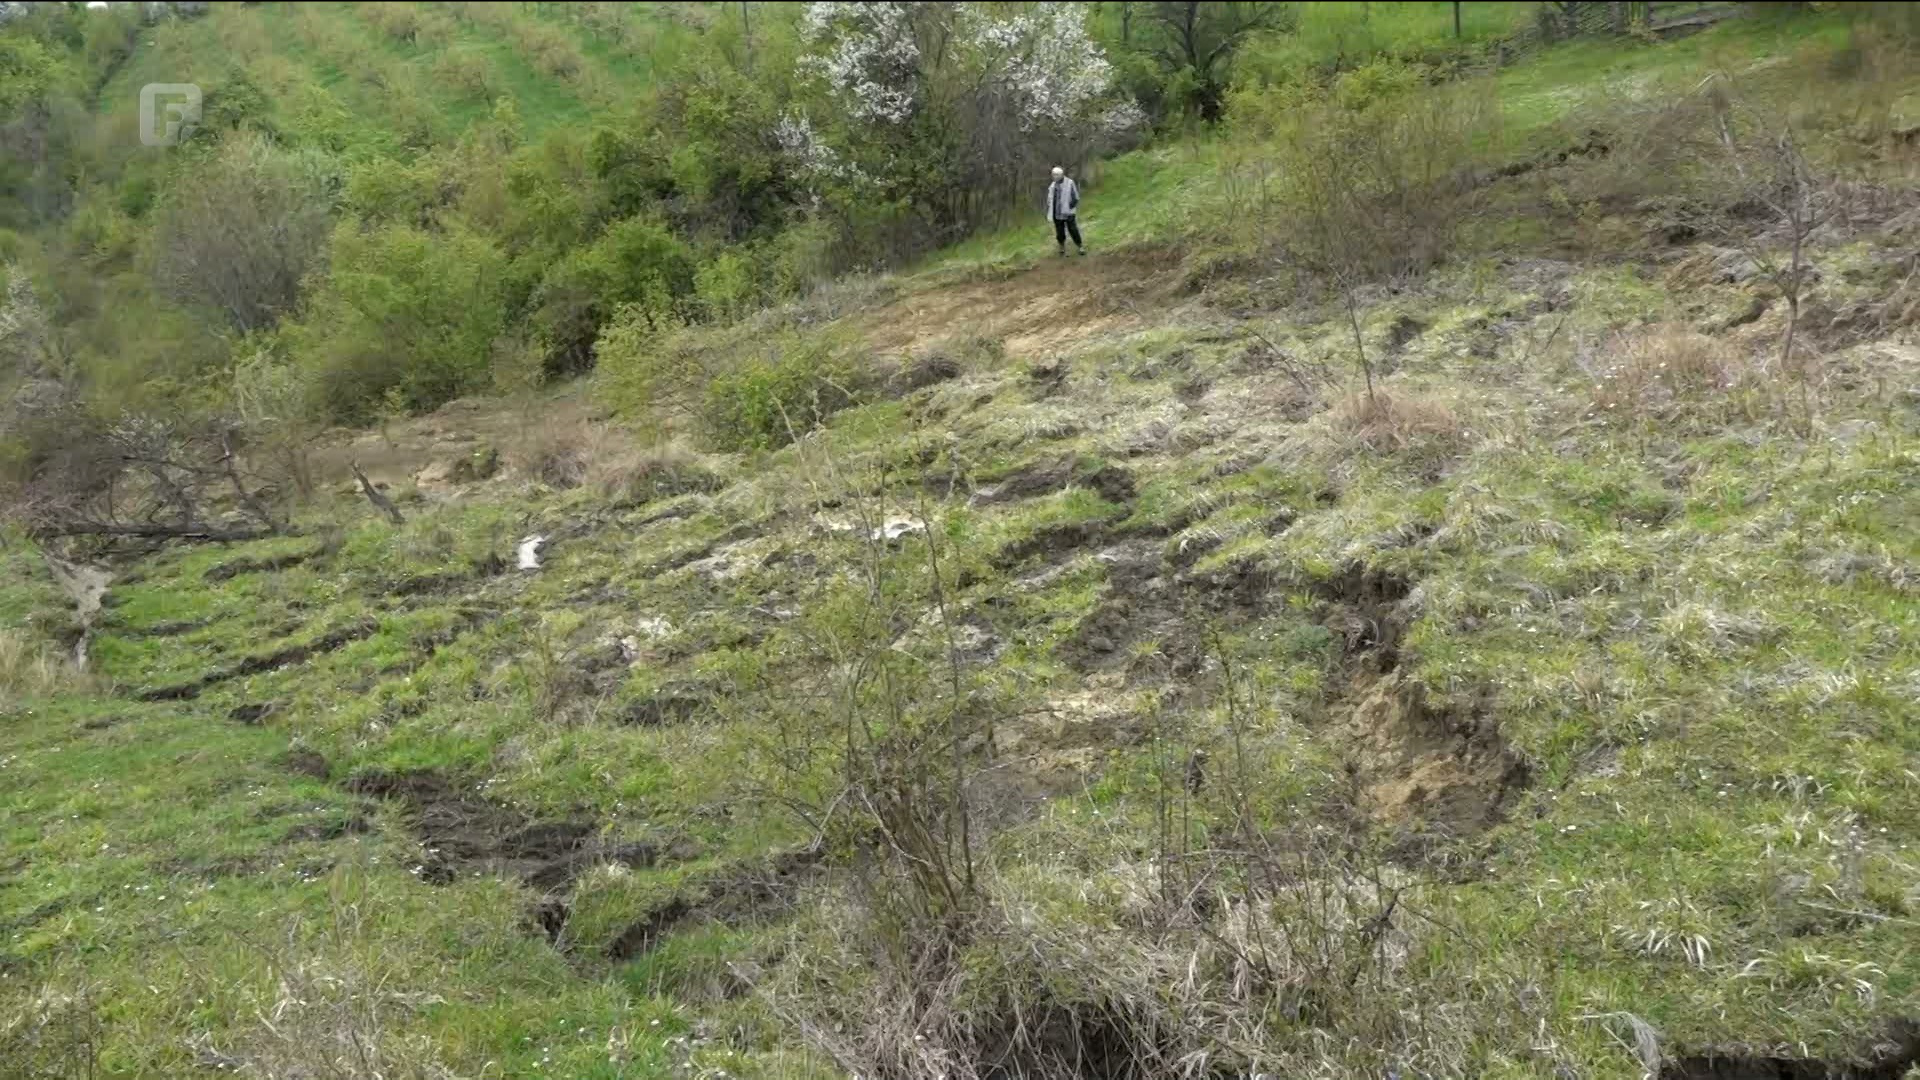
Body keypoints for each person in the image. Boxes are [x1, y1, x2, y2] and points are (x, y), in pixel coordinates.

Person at [1045, 166, 1084, 257]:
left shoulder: (1069, 183)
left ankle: (1080, 246)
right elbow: (1050, 198)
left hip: (1068, 213)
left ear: (1061, 175)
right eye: (1053, 175)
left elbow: (1076, 197)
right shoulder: (1052, 185)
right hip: (1057, 213)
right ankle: (1061, 247)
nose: (1054, 177)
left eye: (1056, 175)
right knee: (1060, 232)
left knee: (1073, 230)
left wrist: (1070, 207)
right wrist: (1050, 205)